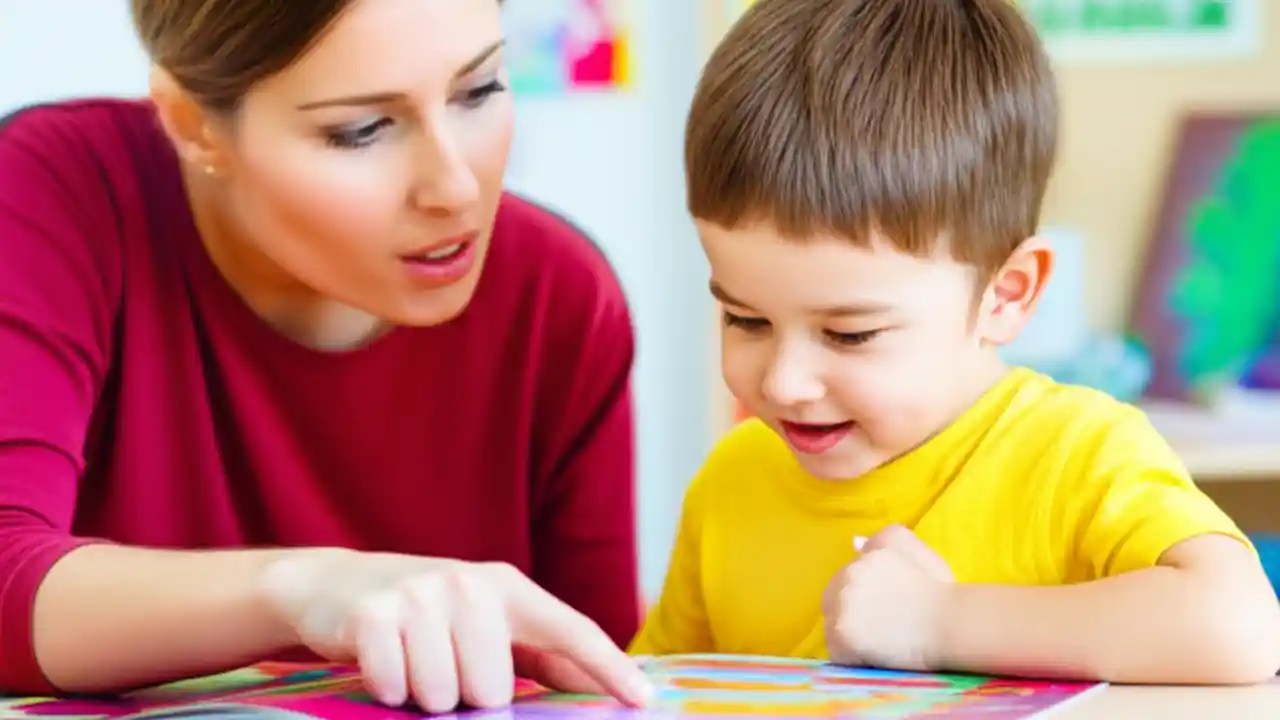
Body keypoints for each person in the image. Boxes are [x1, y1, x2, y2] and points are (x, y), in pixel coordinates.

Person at [0, 0, 654, 712]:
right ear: (192, 125)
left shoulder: (558, 300)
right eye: (361, 130)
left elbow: (599, 681)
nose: (455, 188)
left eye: (478, 90)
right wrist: (306, 591)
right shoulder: (52, 194)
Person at [630, 0, 1280, 685]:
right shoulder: (732, 481)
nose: (784, 382)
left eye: (850, 333)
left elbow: (1241, 628)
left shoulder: (1075, 454)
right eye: (745, 319)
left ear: (1007, 294)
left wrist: (936, 623)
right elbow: (660, 686)